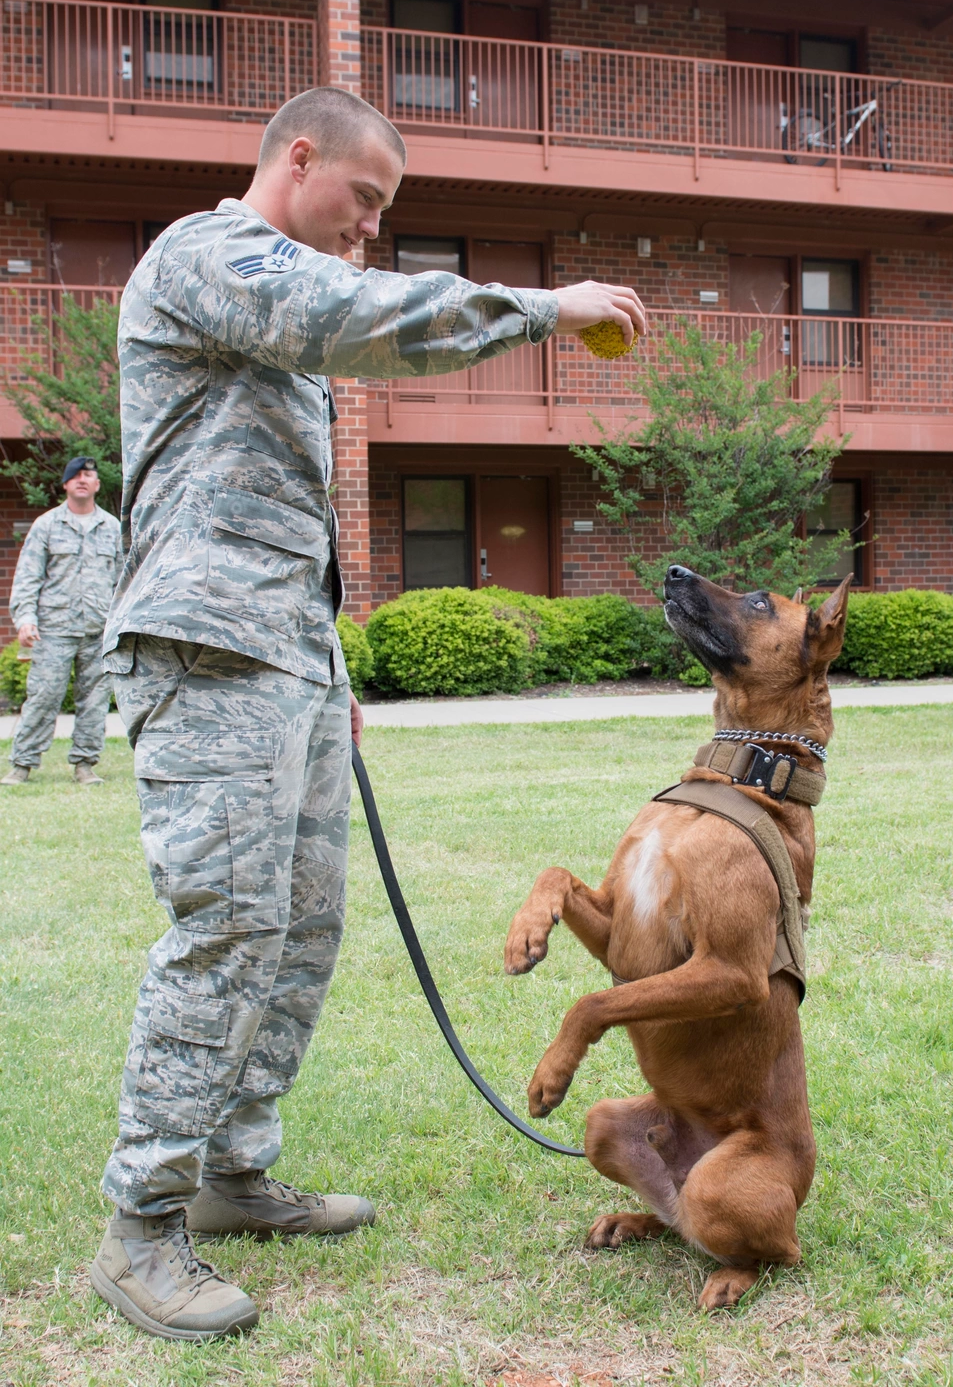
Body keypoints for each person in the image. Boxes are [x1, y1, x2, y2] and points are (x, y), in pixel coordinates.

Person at [89, 85, 646, 1343]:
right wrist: (540, 307)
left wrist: (330, 676)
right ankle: (141, 1224)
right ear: (299, 158)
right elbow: (356, 315)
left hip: (283, 660)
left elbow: (282, 508)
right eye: (366, 202)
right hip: (203, 647)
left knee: (301, 933)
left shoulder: (275, 302)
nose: (368, 234)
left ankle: (233, 1174)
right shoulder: (208, 255)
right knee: (226, 929)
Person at [3, 456, 121, 787]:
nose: (82, 480)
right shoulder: (47, 525)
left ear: (97, 485)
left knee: (95, 702)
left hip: (98, 629)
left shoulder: (112, 527)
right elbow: (28, 576)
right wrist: (25, 619)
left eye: (89, 475)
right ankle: (22, 765)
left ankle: (85, 765)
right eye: (76, 476)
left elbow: (123, 580)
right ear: (66, 484)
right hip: (53, 630)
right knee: (43, 696)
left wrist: (120, 624)